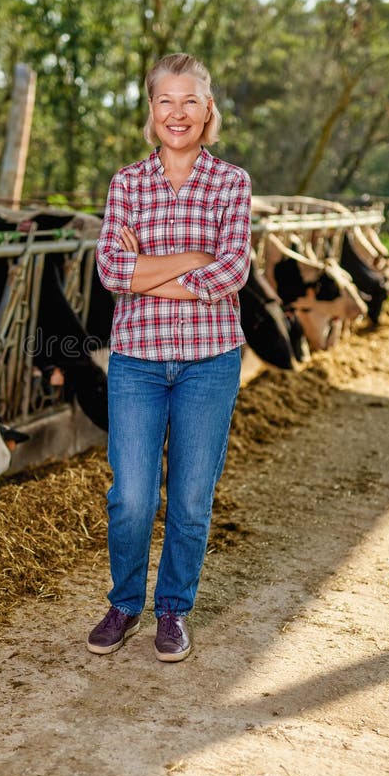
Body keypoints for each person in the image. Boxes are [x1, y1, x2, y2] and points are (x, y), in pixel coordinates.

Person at [89, 53, 251, 662]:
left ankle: (173, 610)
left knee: (189, 498)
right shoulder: (127, 183)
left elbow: (233, 272)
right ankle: (125, 603)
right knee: (131, 496)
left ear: (208, 108)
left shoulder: (231, 183)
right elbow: (111, 271)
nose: (177, 113)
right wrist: (193, 258)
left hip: (210, 362)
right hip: (136, 361)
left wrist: (148, 266)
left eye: (190, 101)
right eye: (165, 101)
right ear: (151, 111)